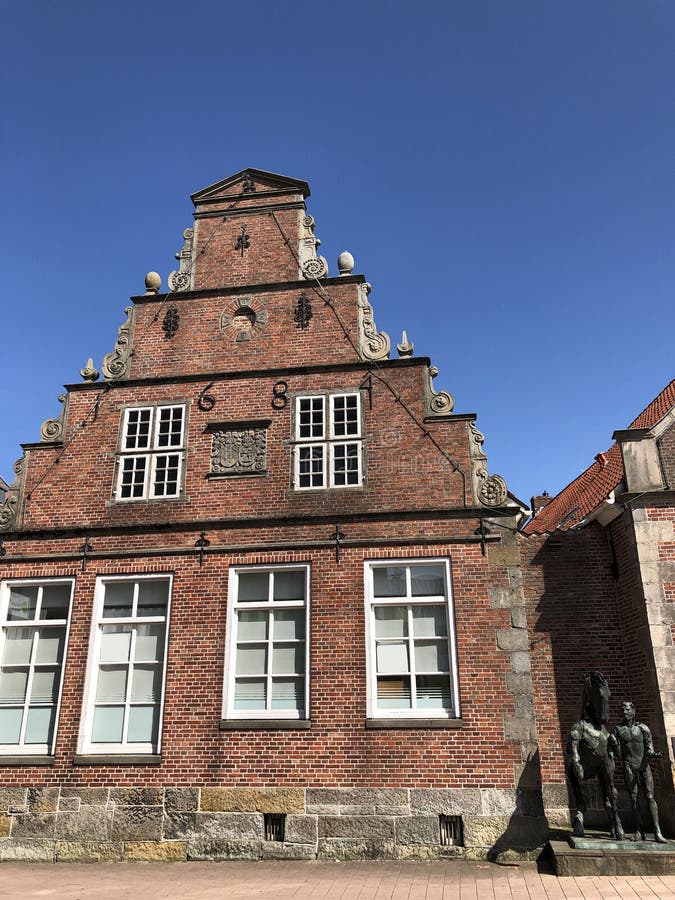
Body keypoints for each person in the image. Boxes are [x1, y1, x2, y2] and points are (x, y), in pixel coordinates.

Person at [613, 701, 667, 843]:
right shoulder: (618, 729)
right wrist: (614, 743)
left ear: (633, 711)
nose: (624, 712)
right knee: (634, 799)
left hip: (644, 767)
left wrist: (654, 754)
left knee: (650, 797)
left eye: (626, 710)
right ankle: (639, 831)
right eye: (622, 710)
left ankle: (657, 831)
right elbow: (618, 753)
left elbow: (649, 749)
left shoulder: (643, 728)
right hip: (629, 767)